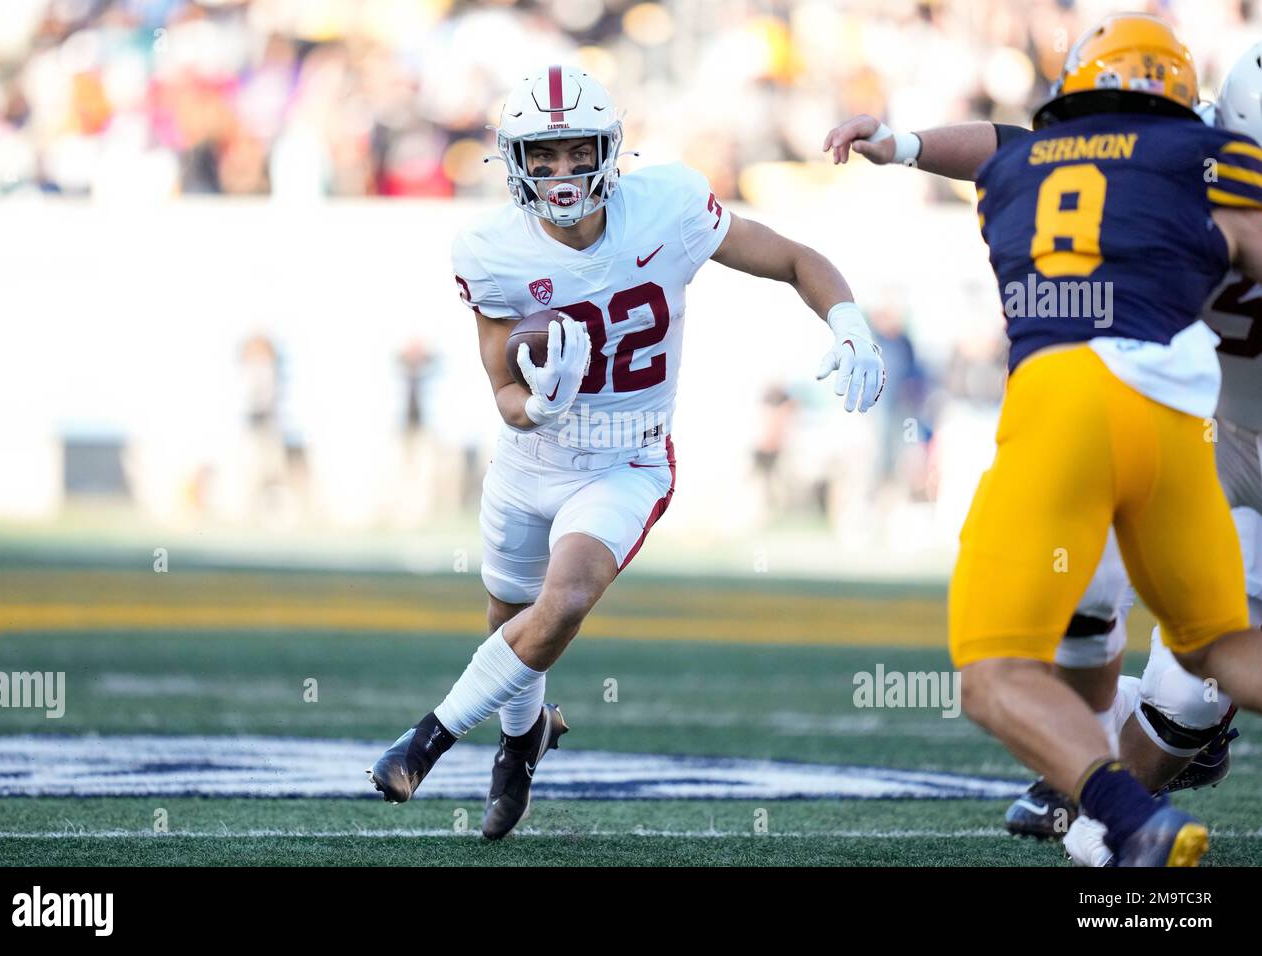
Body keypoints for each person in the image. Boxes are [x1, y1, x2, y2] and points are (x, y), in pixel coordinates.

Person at [367, 65, 887, 840]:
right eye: (539, 157)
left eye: (574, 151)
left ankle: (425, 742)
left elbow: (791, 259)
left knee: (564, 604)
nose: (559, 172)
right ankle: (523, 740)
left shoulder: (667, 206)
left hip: (625, 457)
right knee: (515, 626)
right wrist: (535, 402)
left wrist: (849, 321)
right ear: (513, 163)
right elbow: (503, 395)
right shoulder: (489, 250)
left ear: (608, 150)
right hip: (530, 461)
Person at [830, 13, 1262, 865]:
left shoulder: (1054, 157)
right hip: (1184, 421)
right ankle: (1098, 780)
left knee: (1011, 670)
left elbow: (1000, 141)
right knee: (1202, 648)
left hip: (1086, 401)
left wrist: (901, 142)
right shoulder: (1211, 159)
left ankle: (1111, 803)